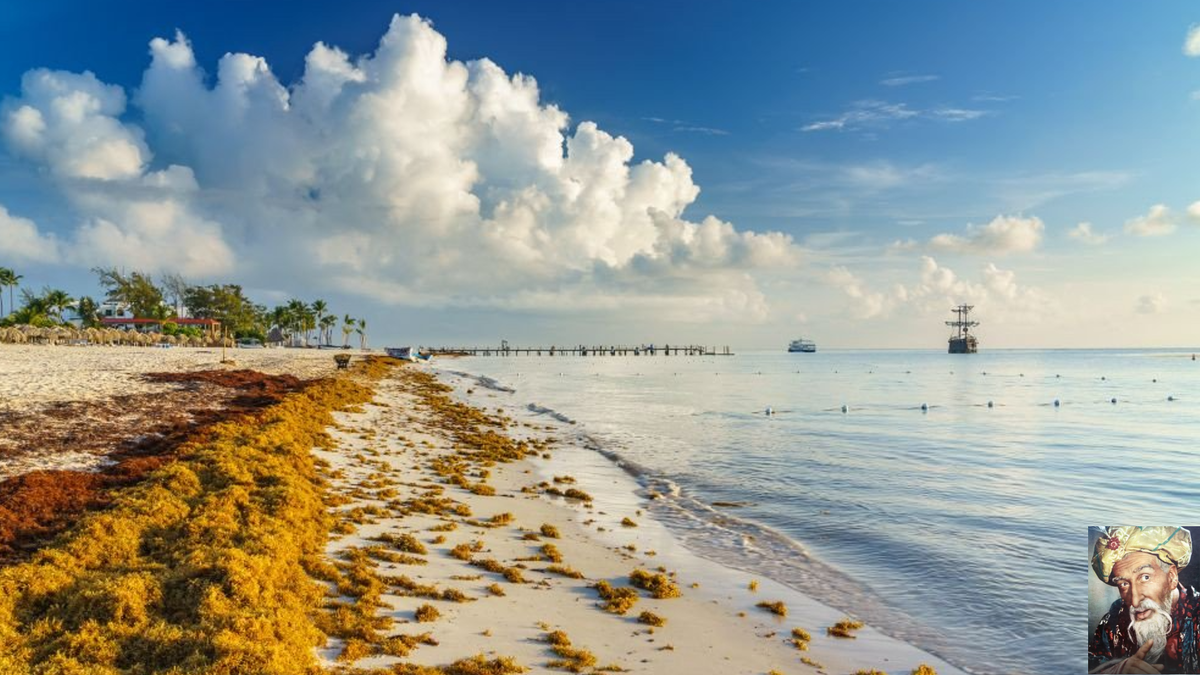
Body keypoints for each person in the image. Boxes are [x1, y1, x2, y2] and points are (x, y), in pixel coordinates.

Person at [1090, 526, 1200, 673]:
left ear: (1172, 577)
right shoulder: (1113, 622)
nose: (1135, 601)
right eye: (1124, 584)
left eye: (1145, 577)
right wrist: (1115, 671)